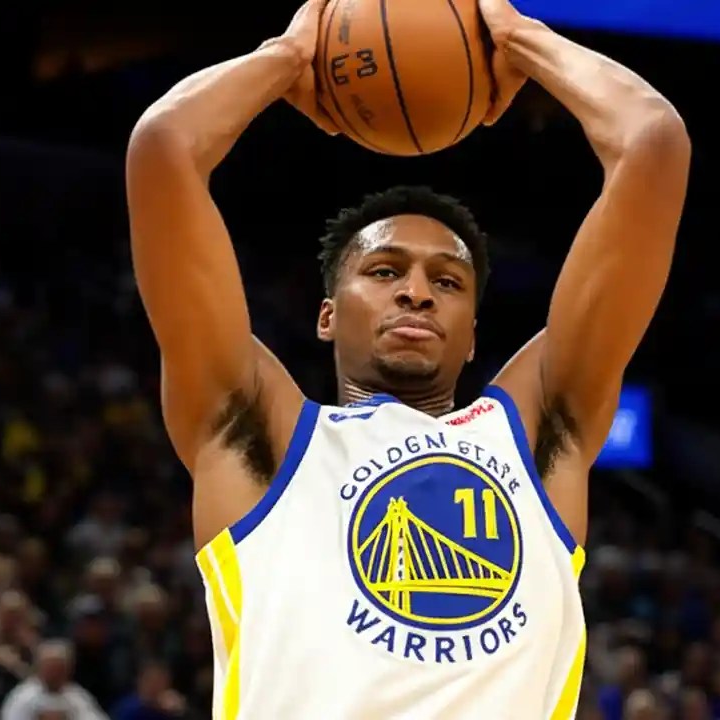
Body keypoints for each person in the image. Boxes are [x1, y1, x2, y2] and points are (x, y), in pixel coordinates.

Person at [125, 0, 689, 716]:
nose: (417, 293)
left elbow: (652, 143)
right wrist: (291, 55)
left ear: (474, 332)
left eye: (446, 281)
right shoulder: (260, 437)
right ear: (327, 315)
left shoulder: (537, 434)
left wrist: (521, 37)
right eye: (386, 271)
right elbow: (164, 147)